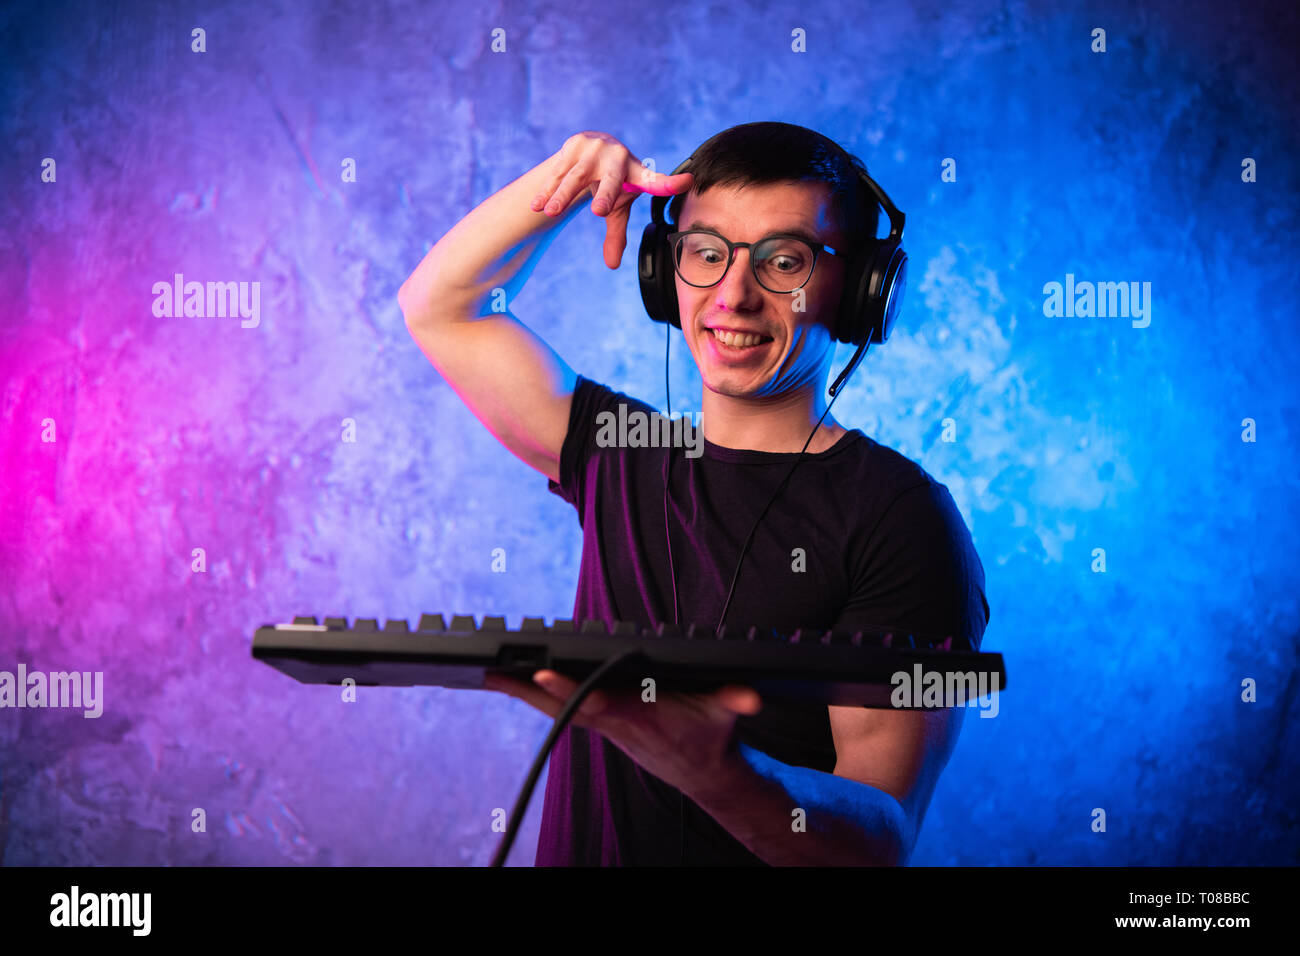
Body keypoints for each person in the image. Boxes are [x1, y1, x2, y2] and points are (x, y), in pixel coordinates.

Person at [398, 122, 991, 866]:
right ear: (664, 270)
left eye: (784, 261)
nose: (733, 296)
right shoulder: (621, 452)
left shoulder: (904, 521)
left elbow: (877, 840)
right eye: (707, 253)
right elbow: (440, 307)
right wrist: (565, 181)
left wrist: (719, 773)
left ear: (861, 291)